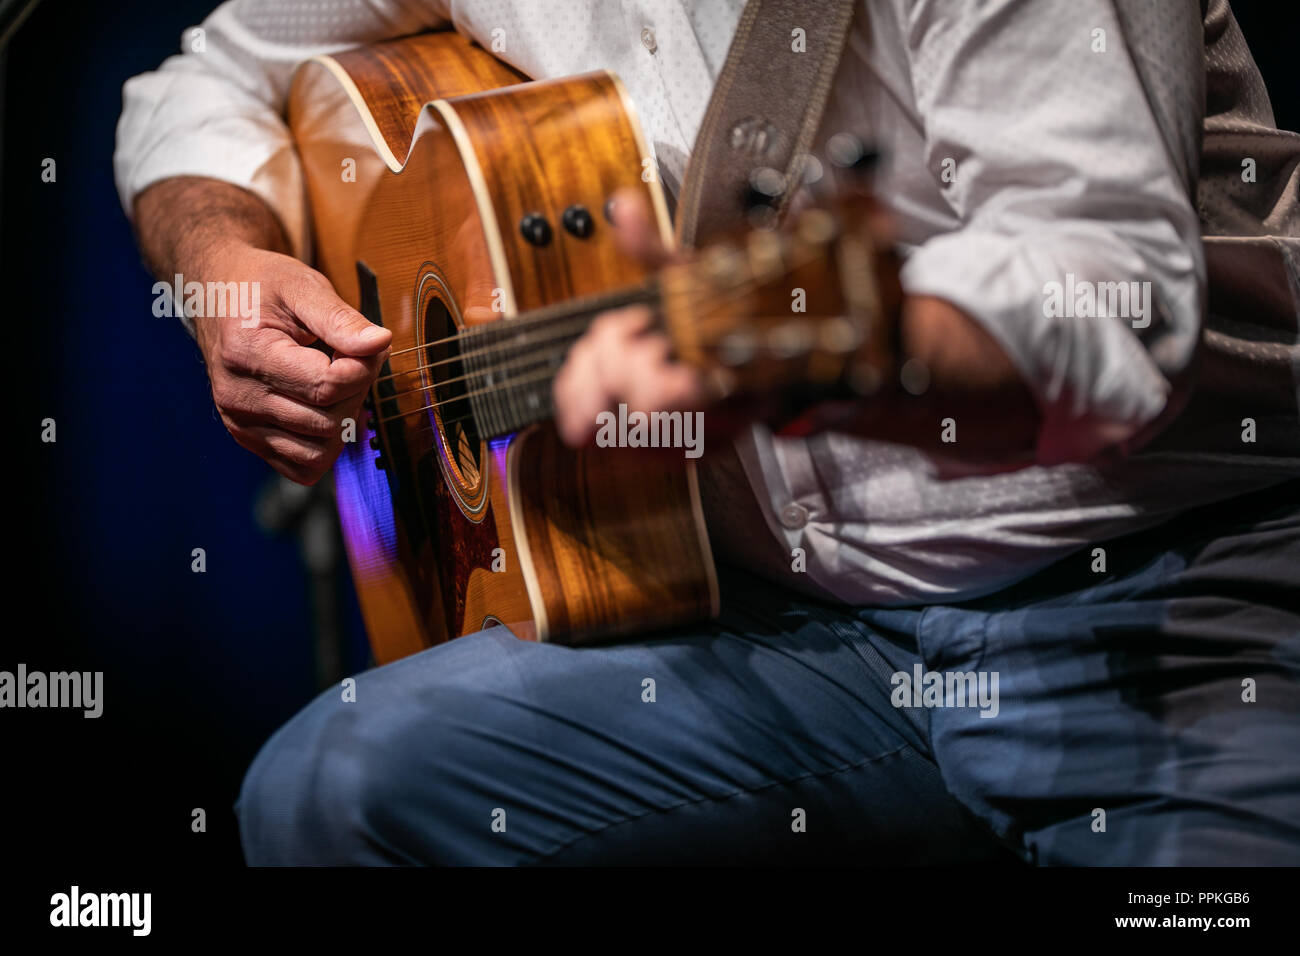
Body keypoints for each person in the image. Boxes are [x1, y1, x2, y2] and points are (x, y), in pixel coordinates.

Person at [115, 0, 1300, 864]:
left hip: (1167, 594)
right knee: (332, 792)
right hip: (780, 625)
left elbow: (1106, 313)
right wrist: (221, 264)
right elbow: (195, 87)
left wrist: (817, 346)